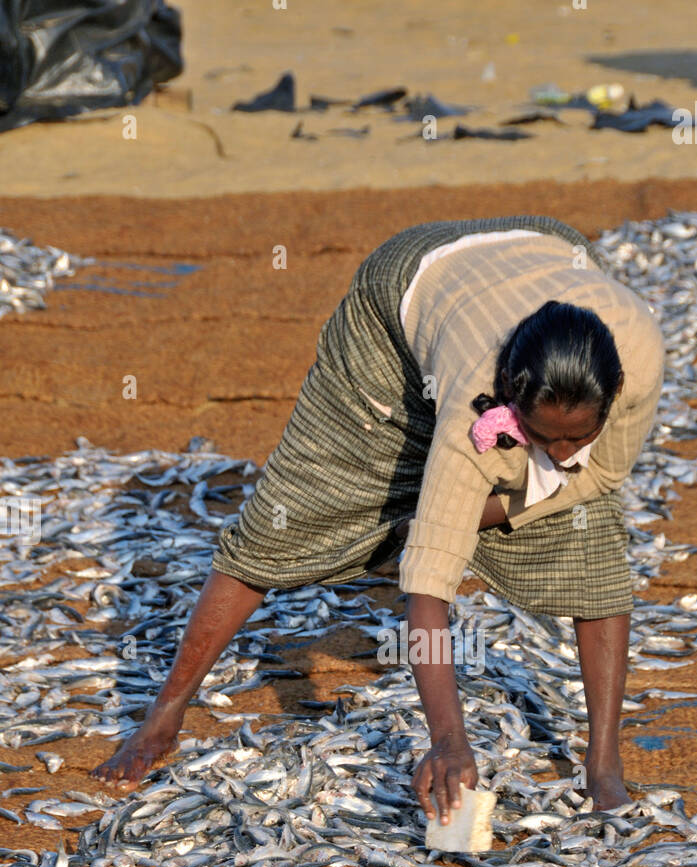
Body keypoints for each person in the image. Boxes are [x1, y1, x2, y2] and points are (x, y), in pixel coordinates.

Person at [93, 215, 664, 819]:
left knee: (593, 546)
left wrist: (474, 515)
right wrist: (448, 741)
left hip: (545, 248)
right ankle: (163, 717)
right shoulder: (470, 399)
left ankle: (604, 765)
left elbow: (599, 476)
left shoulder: (640, 356)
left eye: (582, 434)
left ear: (614, 391)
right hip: (400, 302)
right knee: (279, 526)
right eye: (545, 437)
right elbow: (427, 587)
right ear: (505, 400)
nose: (566, 451)